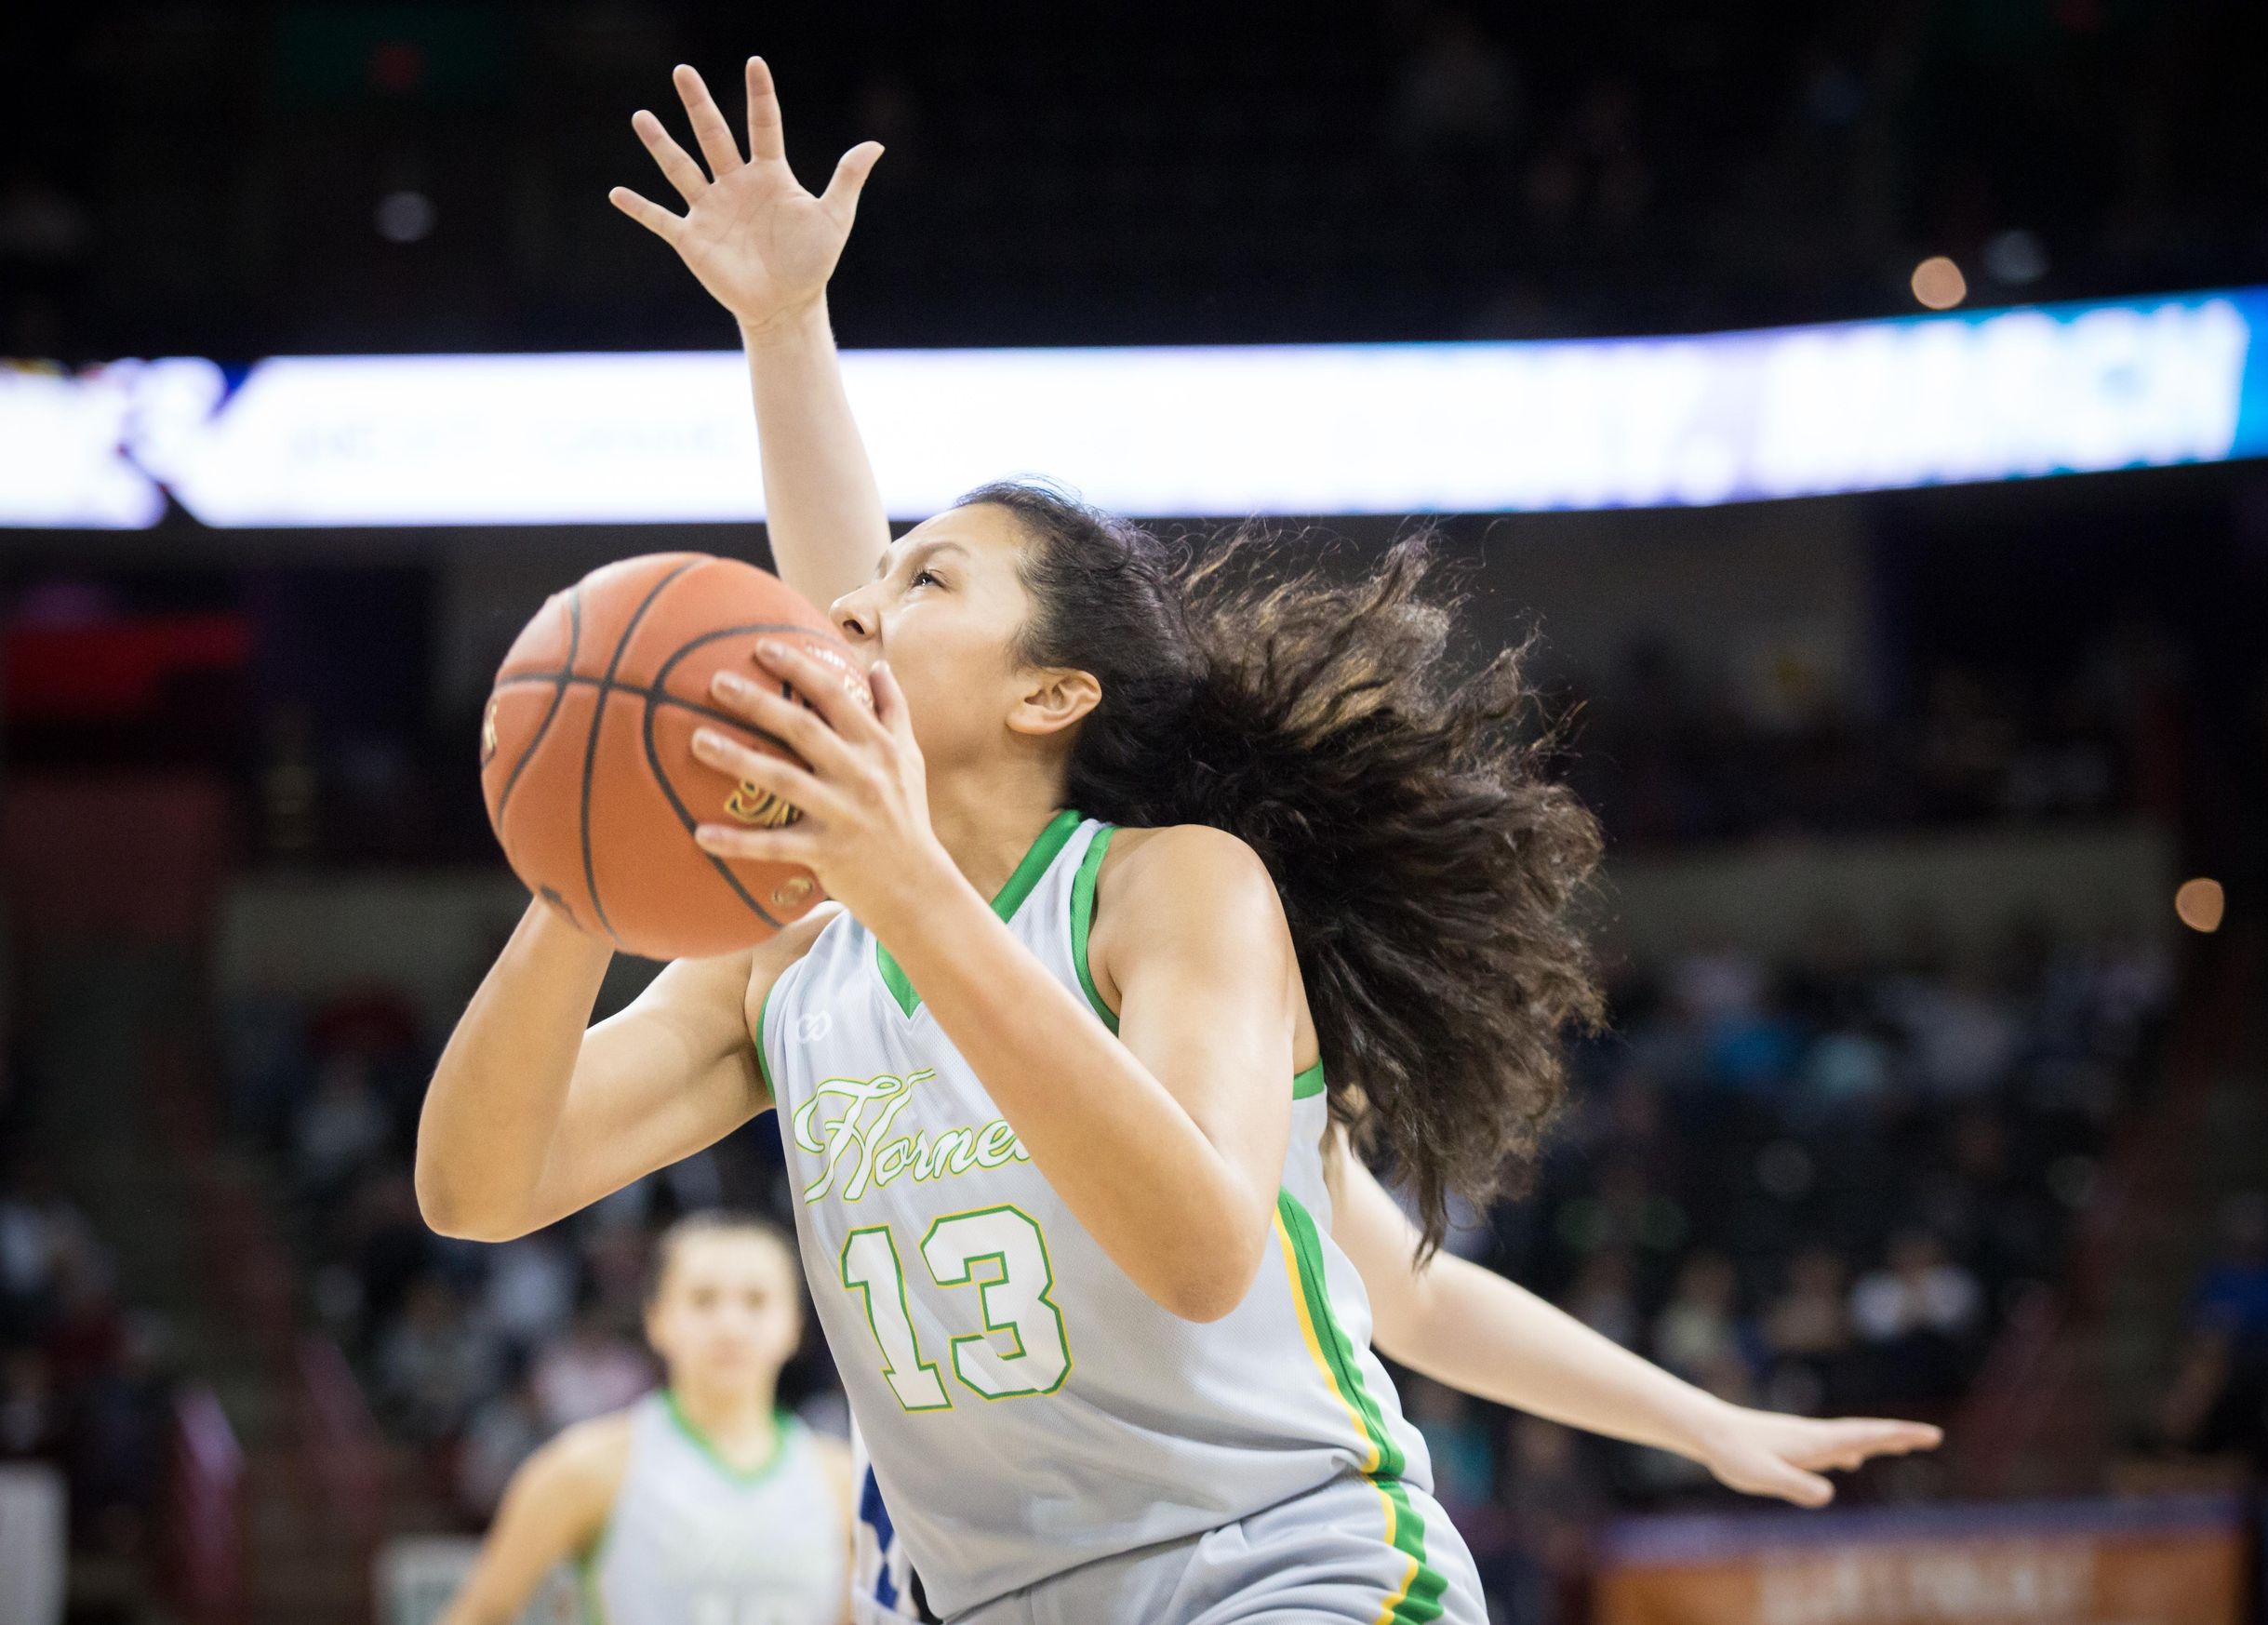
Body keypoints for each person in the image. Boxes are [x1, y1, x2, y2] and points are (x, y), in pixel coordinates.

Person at [417, 57, 1941, 1625]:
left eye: (925, 583)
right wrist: (585, 869)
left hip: (1286, 1571)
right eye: (865, 595)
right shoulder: (790, 959)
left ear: (1054, 690)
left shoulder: (1169, 890)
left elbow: (1224, 1253)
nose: (855, 611)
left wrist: (1689, 1417)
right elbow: (476, 1186)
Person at [438, 1213, 848, 1625]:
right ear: (657, 1320)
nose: (730, 1326)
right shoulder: (585, 1468)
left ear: (795, 1325)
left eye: (756, 1301)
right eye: (703, 1299)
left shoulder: (843, 1484)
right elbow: (478, 1613)